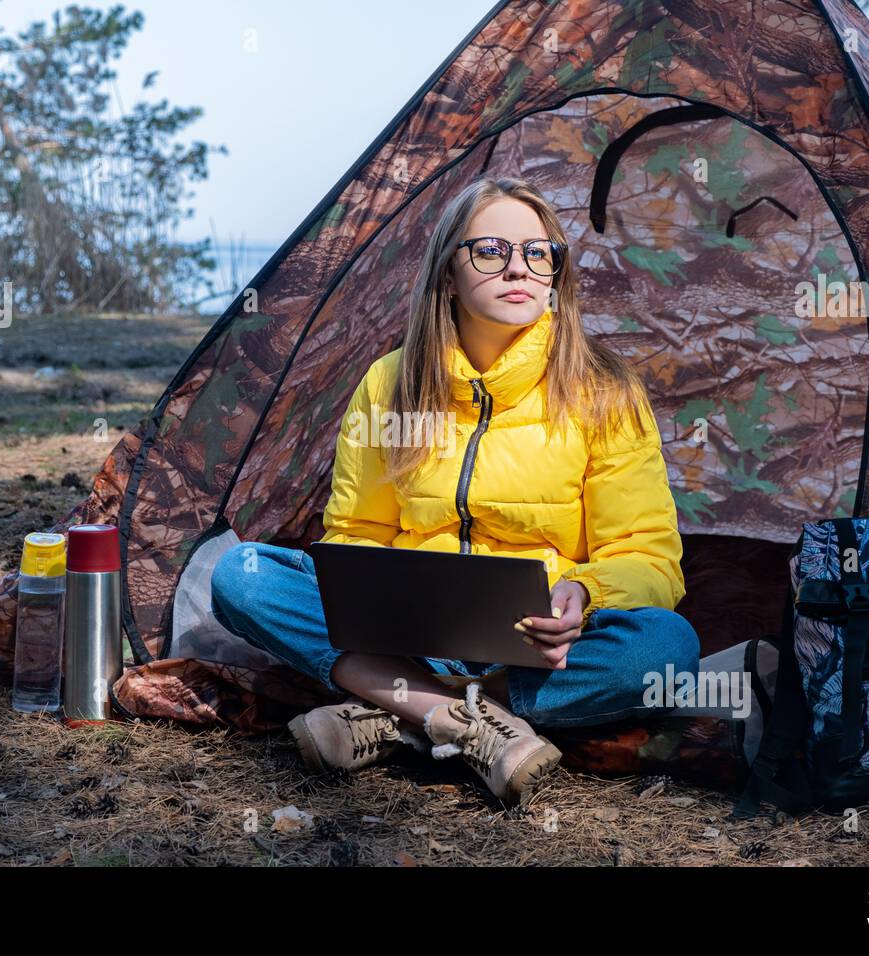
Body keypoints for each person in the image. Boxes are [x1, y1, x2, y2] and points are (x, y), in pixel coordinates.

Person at [211, 176, 698, 806]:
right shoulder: (391, 383)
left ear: (556, 271)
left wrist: (584, 592)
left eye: (538, 251)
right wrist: (370, 594)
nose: (518, 267)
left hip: (533, 646)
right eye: (492, 250)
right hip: (409, 632)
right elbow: (357, 537)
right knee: (241, 574)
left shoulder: (604, 389)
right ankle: (458, 721)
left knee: (667, 648)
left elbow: (650, 556)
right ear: (447, 272)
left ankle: (401, 712)